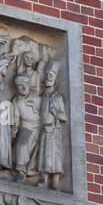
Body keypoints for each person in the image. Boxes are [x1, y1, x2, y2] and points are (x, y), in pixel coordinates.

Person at [37, 61, 67, 189]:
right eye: (47, 75)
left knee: (55, 156)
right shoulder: (41, 96)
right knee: (44, 155)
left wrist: (55, 111)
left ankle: (55, 182)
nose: (49, 77)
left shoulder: (57, 97)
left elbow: (63, 117)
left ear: (55, 80)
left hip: (54, 130)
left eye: (52, 75)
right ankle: (43, 179)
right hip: (44, 129)